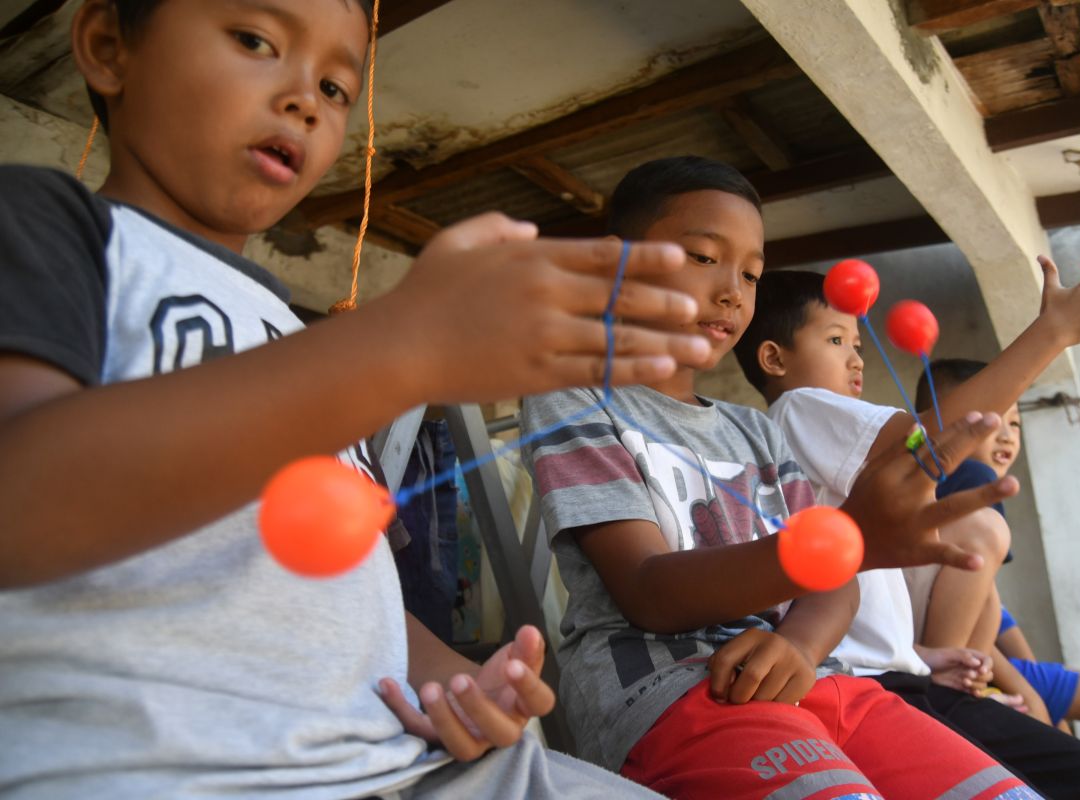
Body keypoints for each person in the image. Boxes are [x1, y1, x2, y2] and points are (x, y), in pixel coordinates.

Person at [0, 1, 717, 797]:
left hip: (398, 760)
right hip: (153, 765)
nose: (306, 98)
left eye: (338, 89)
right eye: (255, 41)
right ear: (107, 48)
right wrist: (395, 346)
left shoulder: (299, 339)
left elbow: (359, 592)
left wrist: (461, 683)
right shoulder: (48, 225)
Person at [522, 155, 1048, 800]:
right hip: (676, 688)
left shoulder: (758, 431)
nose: (732, 291)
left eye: (750, 272)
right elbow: (648, 590)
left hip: (820, 679)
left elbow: (835, 588)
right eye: (703, 257)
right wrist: (848, 534)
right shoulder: (577, 400)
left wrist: (801, 643)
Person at [734, 266, 1080, 798]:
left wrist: (921, 653)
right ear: (774, 359)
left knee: (1077, 773)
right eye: (835, 340)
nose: (856, 358)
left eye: (857, 343)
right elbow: (929, 438)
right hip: (869, 685)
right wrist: (1052, 333)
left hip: (896, 675)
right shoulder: (802, 408)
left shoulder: (809, 437)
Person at [921, 359, 1080, 800]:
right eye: (994, 419)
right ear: (948, 421)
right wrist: (1025, 688)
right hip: (965, 662)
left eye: (1016, 422)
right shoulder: (969, 480)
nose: (1008, 435)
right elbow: (969, 626)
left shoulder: (974, 487)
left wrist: (1039, 686)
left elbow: (995, 612)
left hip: (984, 654)